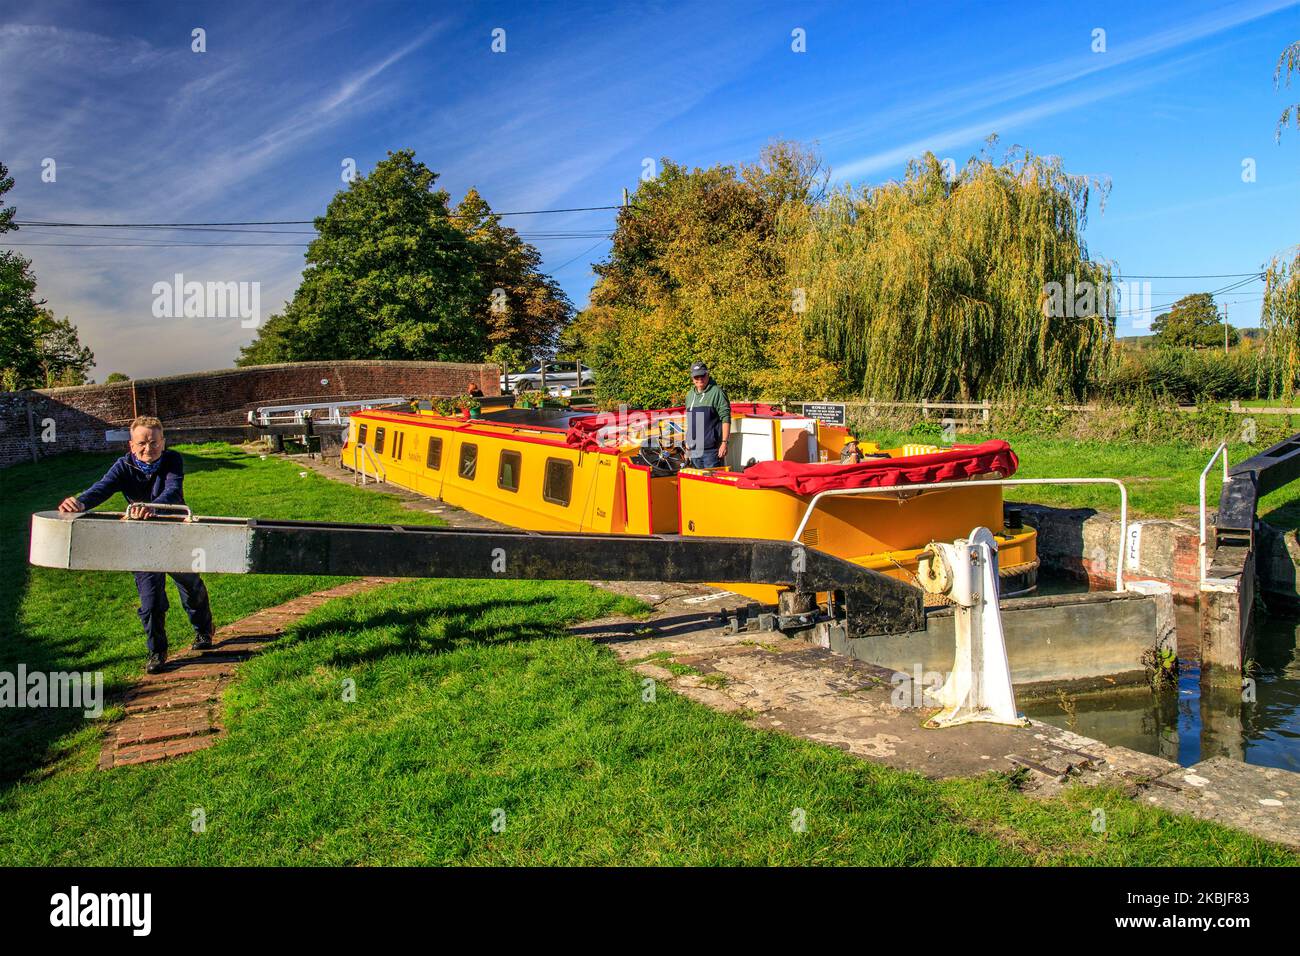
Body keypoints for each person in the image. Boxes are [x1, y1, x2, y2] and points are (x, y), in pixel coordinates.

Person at [58, 416, 215, 674]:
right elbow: (101, 489)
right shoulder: (123, 467)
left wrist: (151, 508)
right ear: (131, 445)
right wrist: (79, 503)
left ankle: (204, 632)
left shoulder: (172, 460)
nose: (148, 448)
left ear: (163, 442)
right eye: (141, 443)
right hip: (142, 541)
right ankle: (157, 651)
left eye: (154, 442)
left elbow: (173, 492)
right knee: (150, 599)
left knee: (190, 585)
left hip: (175, 534)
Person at [684, 361, 731, 469]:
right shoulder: (690, 395)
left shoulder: (717, 392)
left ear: (707, 375)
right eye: (696, 377)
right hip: (694, 450)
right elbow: (691, 421)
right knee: (698, 484)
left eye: (702, 375)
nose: (700, 379)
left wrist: (724, 443)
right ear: (692, 378)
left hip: (712, 451)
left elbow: (726, 418)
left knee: (712, 483)